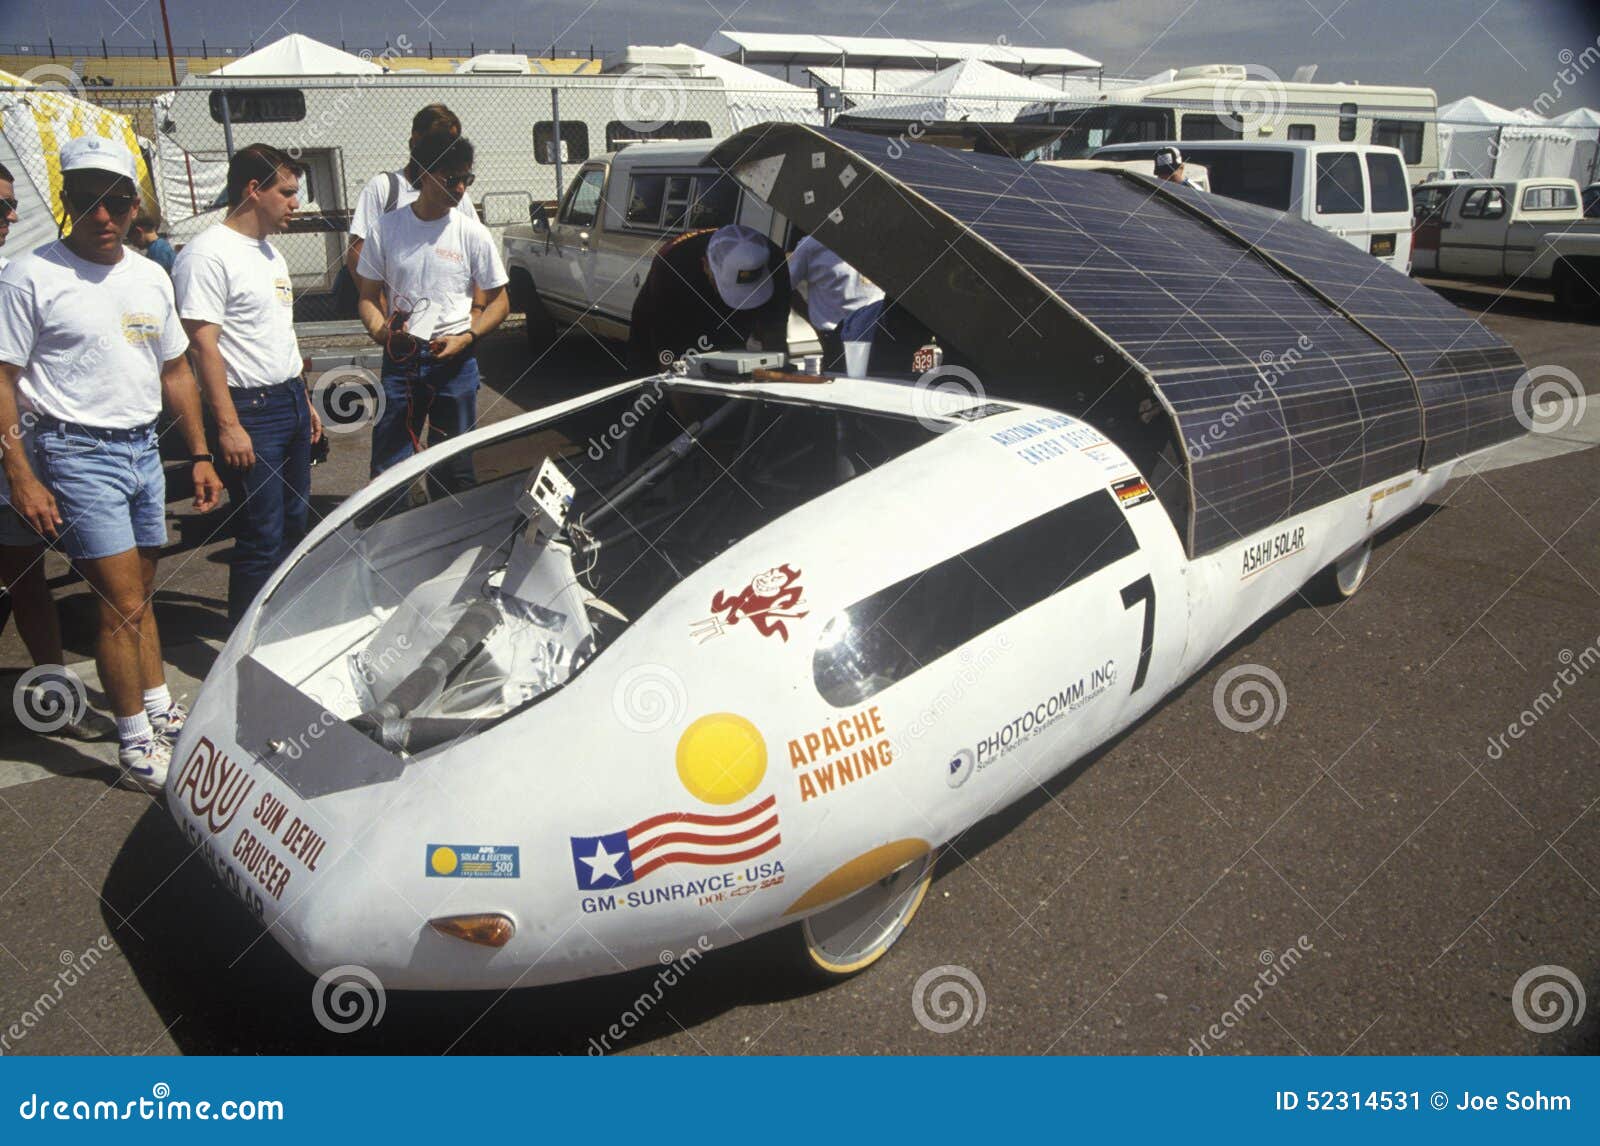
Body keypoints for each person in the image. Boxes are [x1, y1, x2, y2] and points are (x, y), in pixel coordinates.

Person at [0, 134, 223, 791]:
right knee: (120, 603)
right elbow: (3, 378)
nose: (103, 215)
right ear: (65, 200)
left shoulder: (150, 274)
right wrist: (21, 474)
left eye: (117, 202)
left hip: (143, 448)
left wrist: (200, 453)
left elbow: (175, 370)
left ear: (134, 206)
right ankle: (134, 745)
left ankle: (156, 706)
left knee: (138, 597)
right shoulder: (30, 274)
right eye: (87, 199)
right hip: (72, 450)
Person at [174, 144, 323, 622]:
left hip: (289, 401)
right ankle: (244, 641)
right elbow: (203, 347)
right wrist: (228, 426)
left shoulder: (271, 255)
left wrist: (304, 399)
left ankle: (283, 627)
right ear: (253, 190)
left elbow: (279, 335)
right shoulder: (207, 255)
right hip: (250, 412)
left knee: (295, 526)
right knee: (262, 535)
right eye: (288, 192)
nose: (296, 203)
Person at [0, 160, 115, 740]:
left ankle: (58, 694)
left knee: (28, 577)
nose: (10, 215)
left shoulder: (17, 274)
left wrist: (21, 470)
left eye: (11, 203)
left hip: (19, 452)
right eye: (0, 206)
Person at [356, 130, 507, 495]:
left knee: (455, 466)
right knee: (390, 467)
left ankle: (449, 528)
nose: (460, 189)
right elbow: (367, 297)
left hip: (455, 360)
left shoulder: (472, 233)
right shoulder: (386, 229)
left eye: (467, 179)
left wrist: (467, 337)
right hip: (402, 360)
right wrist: (383, 333)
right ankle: (391, 526)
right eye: (451, 179)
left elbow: (501, 302)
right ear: (424, 174)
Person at [627, 223, 791, 376]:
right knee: (651, 378)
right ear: (706, 265)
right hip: (668, 317)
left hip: (729, 326)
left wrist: (779, 377)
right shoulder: (673, 268)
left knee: (730, 366)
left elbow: (775, 337)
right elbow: (670, 361)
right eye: (729, 288)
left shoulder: (773, 260)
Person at [345, 103, 477, 283]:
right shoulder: (384, 187)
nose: (447, 150)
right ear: (416, 140)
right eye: (438, 142)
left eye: (452, 142)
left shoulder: (458, 195)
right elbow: (358, 252)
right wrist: (379, 298)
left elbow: (477, 256)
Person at [788, 234, 883, 370]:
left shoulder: (881, 240)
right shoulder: (811, 245)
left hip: (878, 335)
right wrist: (812, 321)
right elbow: (784, 287)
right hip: (836, 340)